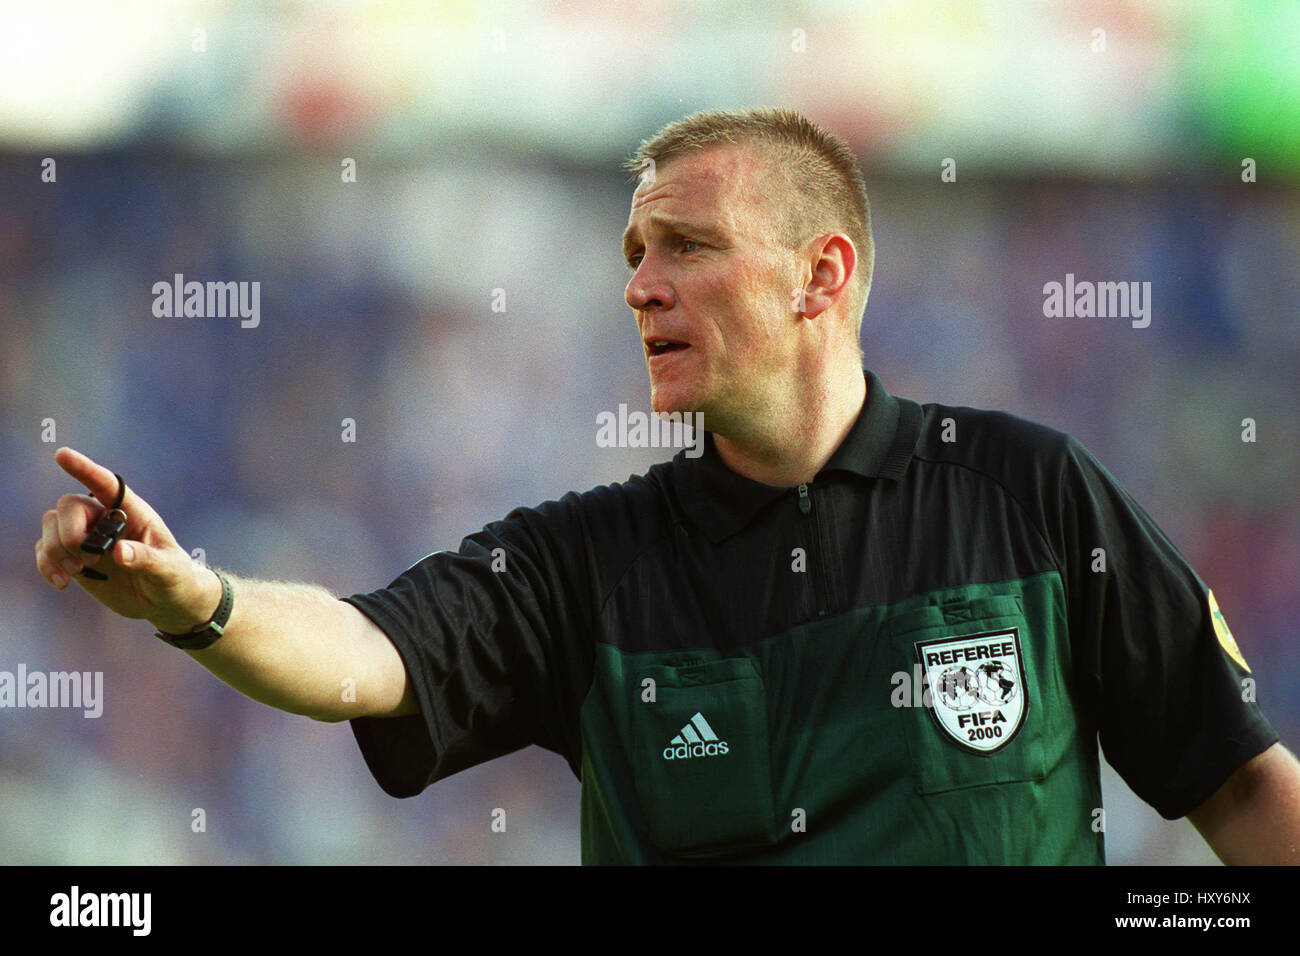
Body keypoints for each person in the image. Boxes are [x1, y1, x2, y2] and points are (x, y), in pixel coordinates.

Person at [36, 107, 1300, 864]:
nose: (639, 285)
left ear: (819, 275)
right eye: (635, 251)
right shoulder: (586, 563)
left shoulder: (1033, 496)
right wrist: (198, 599)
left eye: (686, 247)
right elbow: (365, 654)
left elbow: (1239, 783)